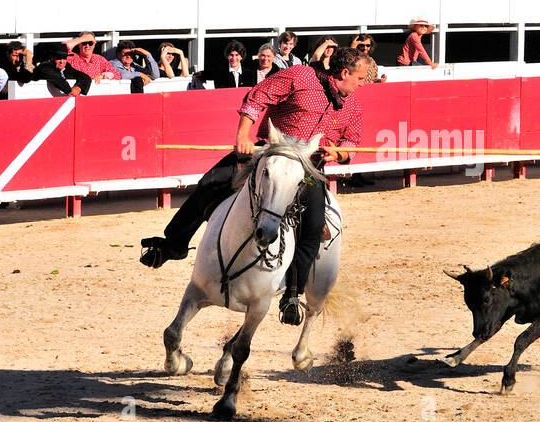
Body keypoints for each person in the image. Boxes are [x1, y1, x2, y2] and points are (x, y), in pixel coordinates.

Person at [139, 47, 371, 327]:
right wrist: (242, 135)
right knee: (211, 182)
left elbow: (353, 142)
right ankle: (172, 245)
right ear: (344, 73)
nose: (362, 83)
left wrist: (340, 153)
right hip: (269, 152)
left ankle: (292, 295)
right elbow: (257, 97)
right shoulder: (300, 76)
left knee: (313, 225)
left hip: (308, 170)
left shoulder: (353, 105)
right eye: (360, 77)